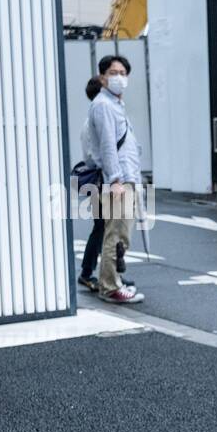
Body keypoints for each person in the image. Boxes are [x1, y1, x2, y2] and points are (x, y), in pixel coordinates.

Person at [83, 55, 143, 304]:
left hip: (128, 178)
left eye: (122, 73)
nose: (119, 77)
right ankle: (109, 287)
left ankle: (112, 280)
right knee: (115, 235)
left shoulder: (116, 104)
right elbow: (108, 145)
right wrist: (116, 179)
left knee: (121, 235)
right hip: (117, 182)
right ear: (102, 77)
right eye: (113, 72)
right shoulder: (103, 105)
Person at [76, 77, 132, 295]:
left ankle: (104, 274)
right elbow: (96, 157)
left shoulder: (97, 119)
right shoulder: (94, 123)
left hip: (103, 181)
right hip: (102, 182)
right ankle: (90, 273)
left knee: (104, 229)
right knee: (105, 229)